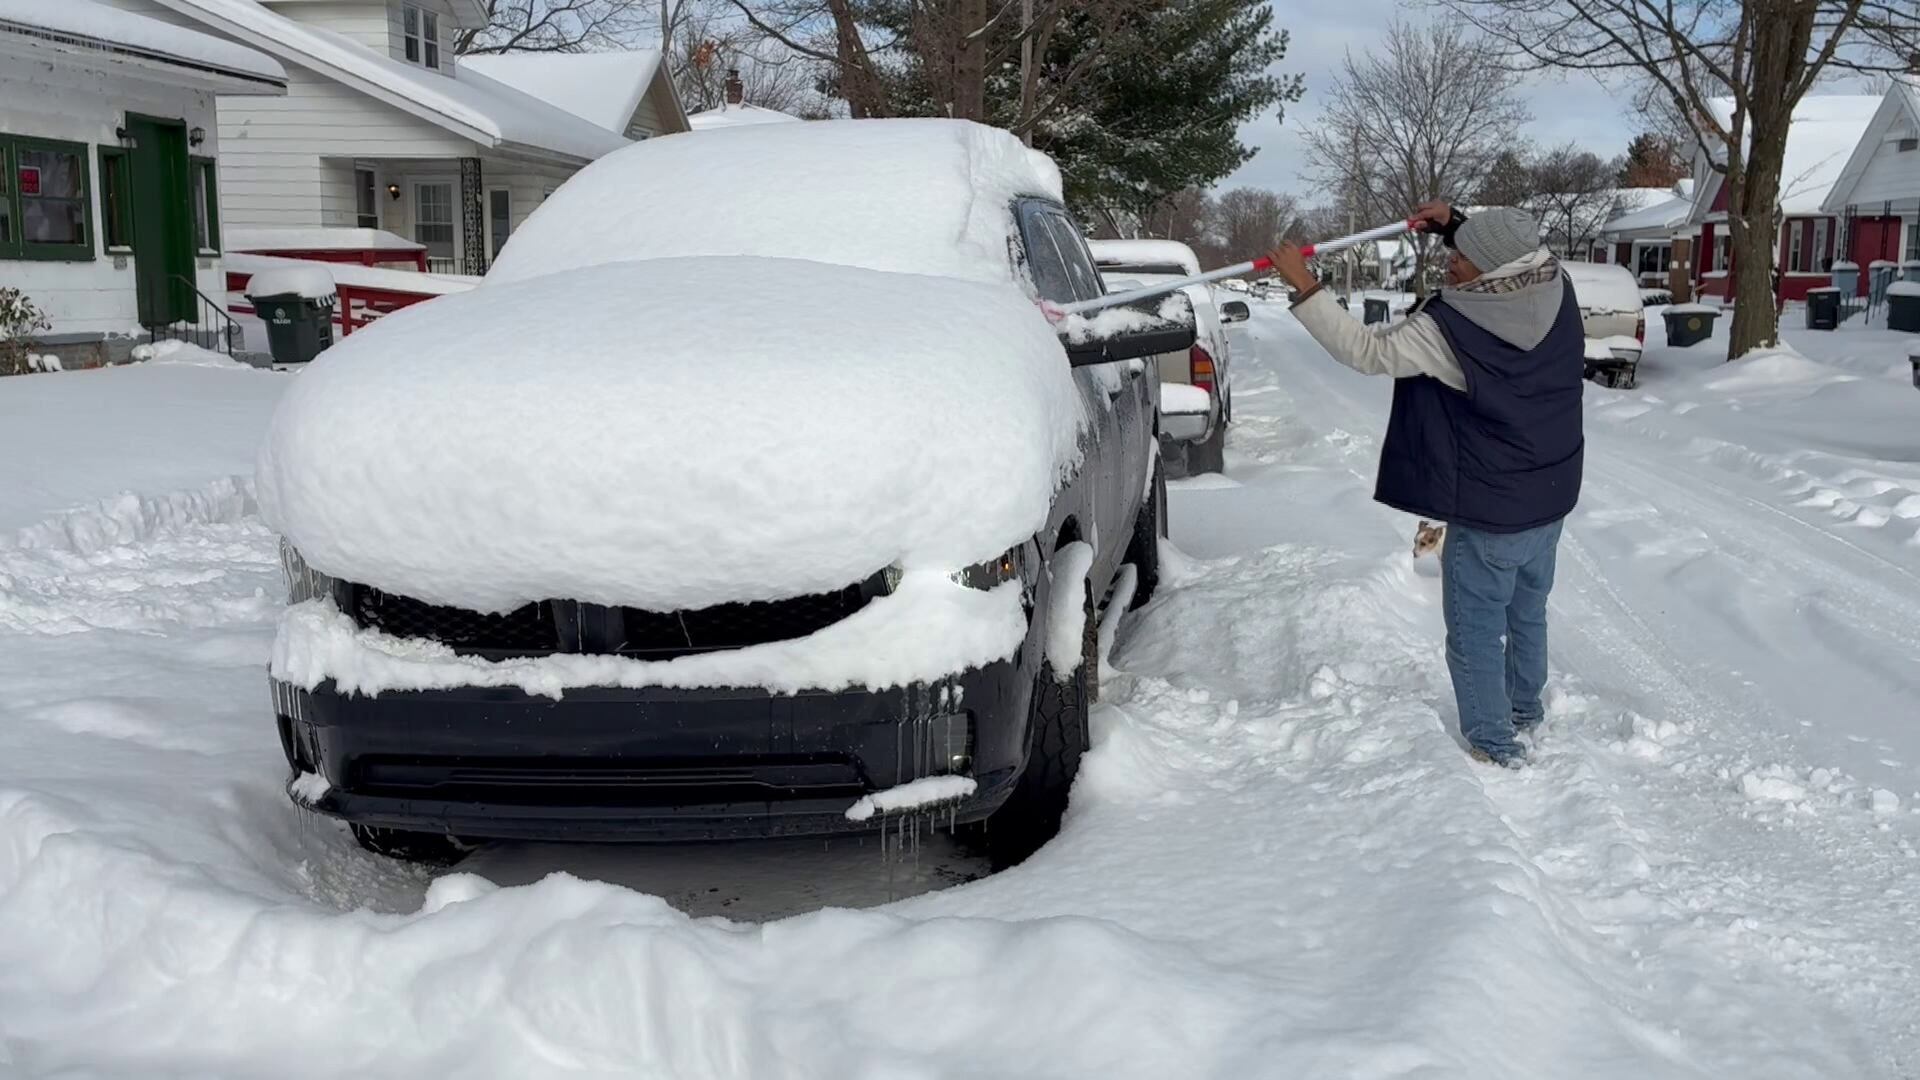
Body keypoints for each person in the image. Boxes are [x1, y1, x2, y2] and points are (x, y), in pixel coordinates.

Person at [1266, 203, 1585, 767]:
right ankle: (1523, 710)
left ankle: (1494, 744)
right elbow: (1505, 250)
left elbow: (1366, 352)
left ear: (1489, 267)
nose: (1450, 263)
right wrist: (1457, 222)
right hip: (1549, 494)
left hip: (1490, 508)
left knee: (1475, 631)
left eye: (1460, 257)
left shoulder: (1451, 330)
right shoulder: (1556, 285)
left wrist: (1305, 285)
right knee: (1527, 612)